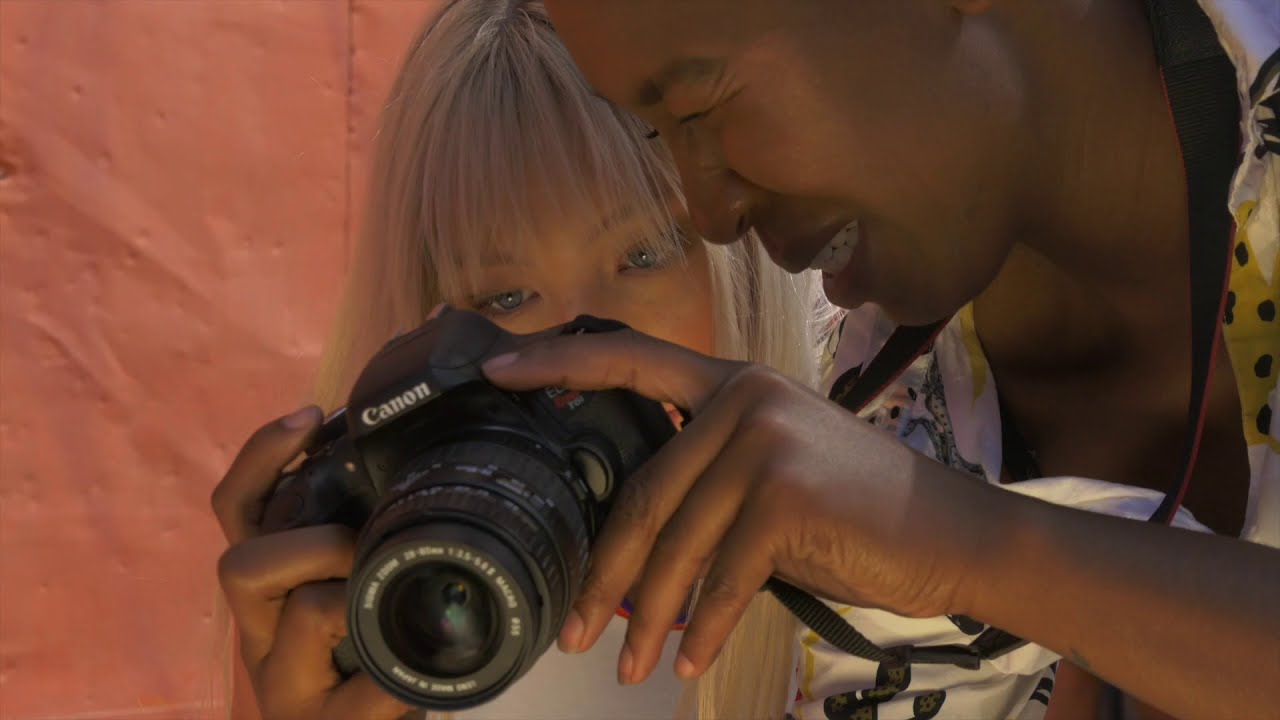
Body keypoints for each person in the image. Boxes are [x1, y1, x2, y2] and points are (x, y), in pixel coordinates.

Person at [468, 1, 1280, 719]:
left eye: (700, 106)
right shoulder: (823, 423)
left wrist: (979, 551)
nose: (710, 213)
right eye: (660, 136)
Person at [210, 1, 828, 718]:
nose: (586, 346)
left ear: (743, 249)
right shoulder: (394, 599)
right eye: (506, 295)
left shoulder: (892, 465)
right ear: (426, 332)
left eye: (645, 253)